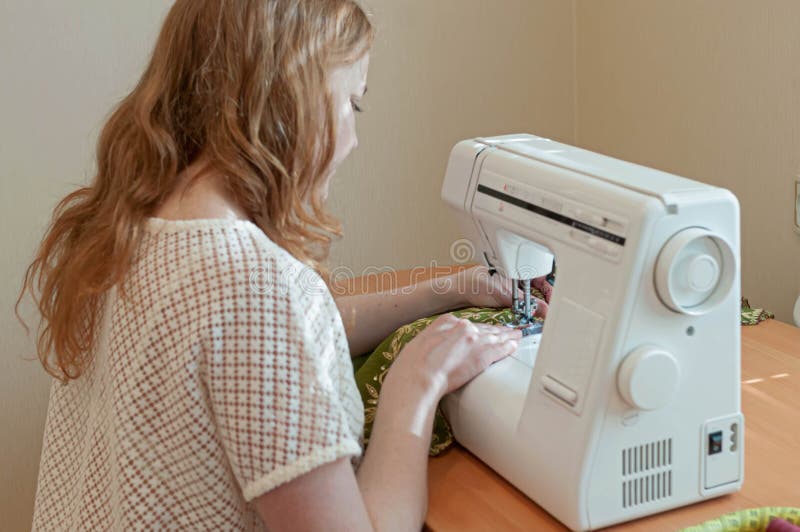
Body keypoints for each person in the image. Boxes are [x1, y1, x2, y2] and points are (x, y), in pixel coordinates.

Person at [20, 1, 545, 530]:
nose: (354, 139)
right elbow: (264, 327)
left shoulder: (120, 231)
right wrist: (415, 385)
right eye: (352, 104)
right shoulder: (257, 288)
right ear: (293, 99)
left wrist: (447, 288)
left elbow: (249, 348)